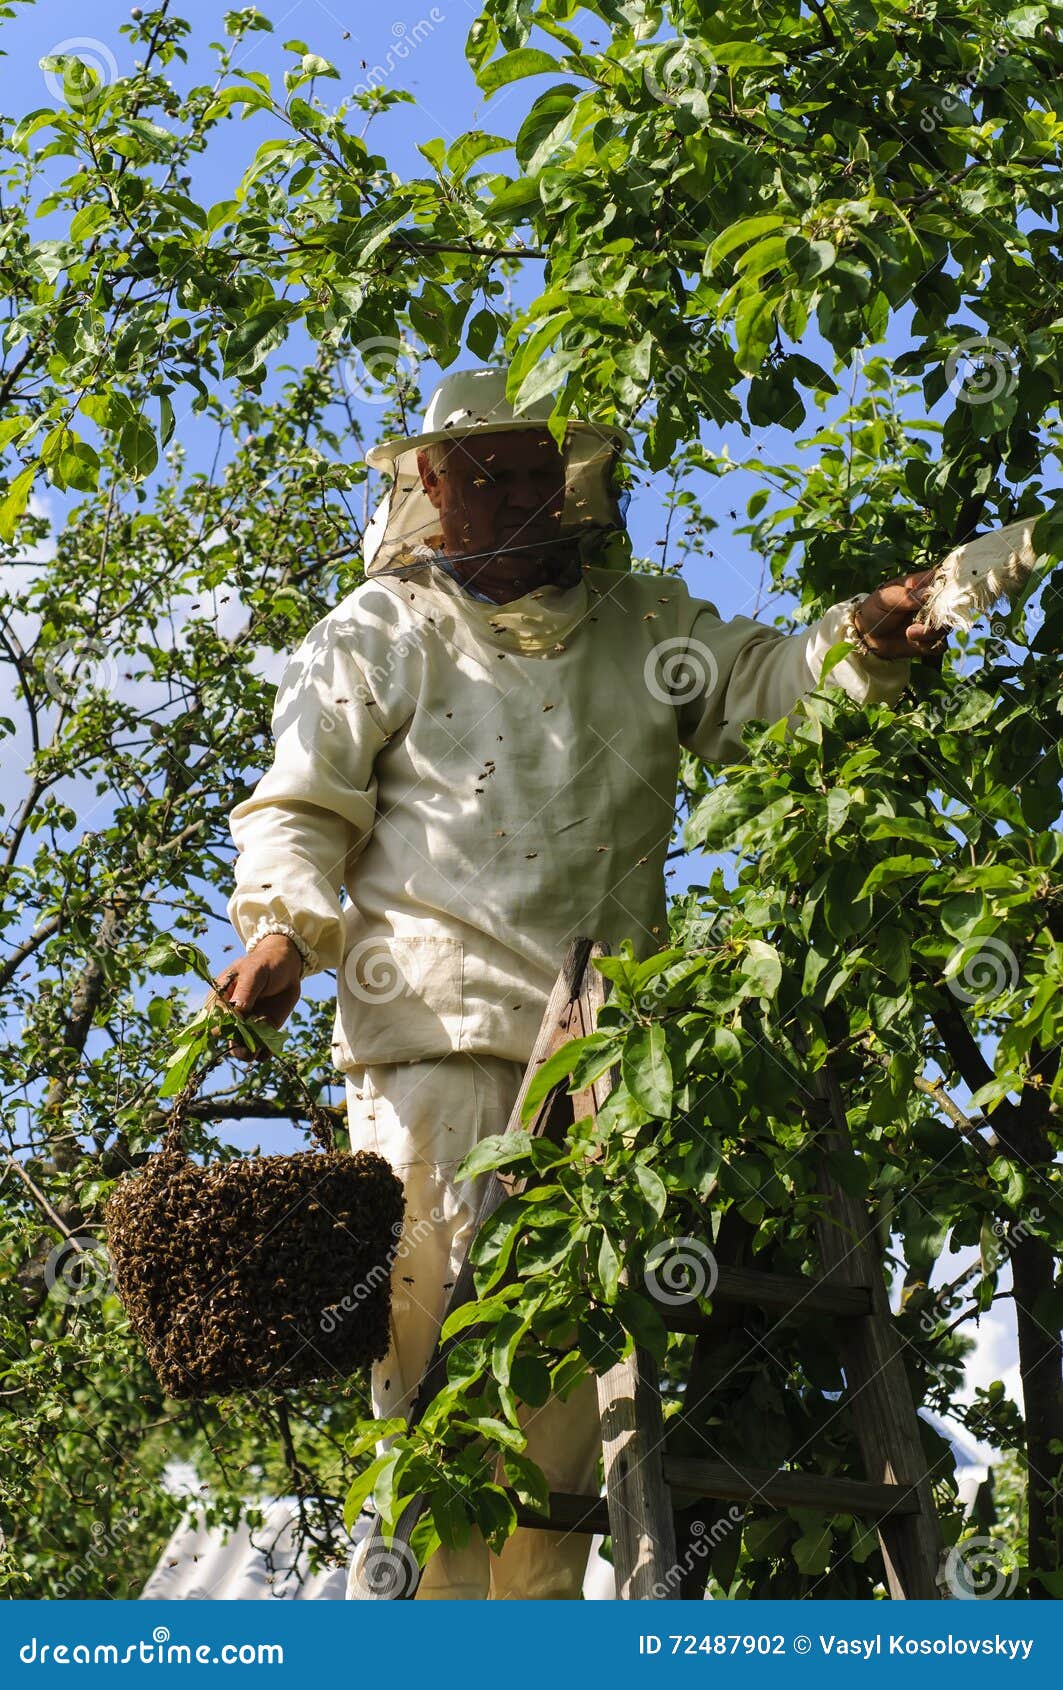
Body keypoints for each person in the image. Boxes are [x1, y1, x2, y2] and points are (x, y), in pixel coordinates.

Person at [215, 364, 950, 1600]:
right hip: (434, 1039)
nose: (504, 493)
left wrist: (866, 632)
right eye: (477, 472)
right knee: (435, 1376)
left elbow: (778, 684)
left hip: (605, 1058)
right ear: (431, 488)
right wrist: (283, 930)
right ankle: (411, 1644)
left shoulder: (646, 622)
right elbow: (298, 806)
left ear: (570, 479)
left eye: (526, 469)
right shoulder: (378, 632)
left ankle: (538, 1639)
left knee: (569, 1400)